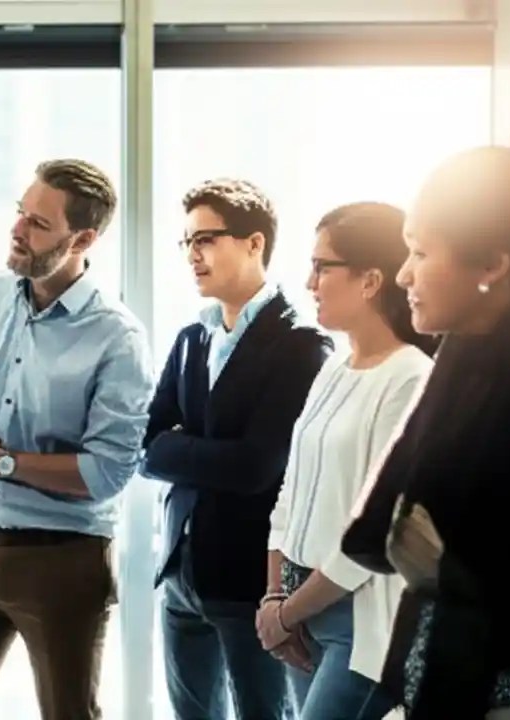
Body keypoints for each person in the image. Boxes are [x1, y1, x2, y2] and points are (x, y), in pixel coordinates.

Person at [340, 128, 510, 719]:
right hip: (456, 671)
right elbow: (389, 531)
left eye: (422, 254)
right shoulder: (465, 353)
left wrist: (430, 556)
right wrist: (423, 550)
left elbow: (478, 573)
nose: (403, 275)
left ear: (492, 265)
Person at [0, 158, 154, 720]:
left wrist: (1, 462)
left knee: (68, 714)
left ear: (83, 239)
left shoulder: (117, 337)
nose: (17, 230)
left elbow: (106, 474)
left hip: (63, 559)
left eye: (38, 224)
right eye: (20, 213)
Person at [143, 178, 333, 720]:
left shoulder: (301, 344)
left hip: (251, 580)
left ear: (254, 243)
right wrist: (195, 451)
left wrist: (182, 449)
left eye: (206, 239)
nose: (192, 255)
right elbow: (146, 445)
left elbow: (257, 466)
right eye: (186, 243)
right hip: (181, 572)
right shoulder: (191, 340)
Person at [255, 202, 436, 720]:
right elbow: (289, 494)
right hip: (299, 608)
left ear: (371, 280)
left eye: (322, 266)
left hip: (360, 626)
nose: (309, 282)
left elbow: (379, 534)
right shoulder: (334, 368)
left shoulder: (410, 378)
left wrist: (289, 611)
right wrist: (274, 599)